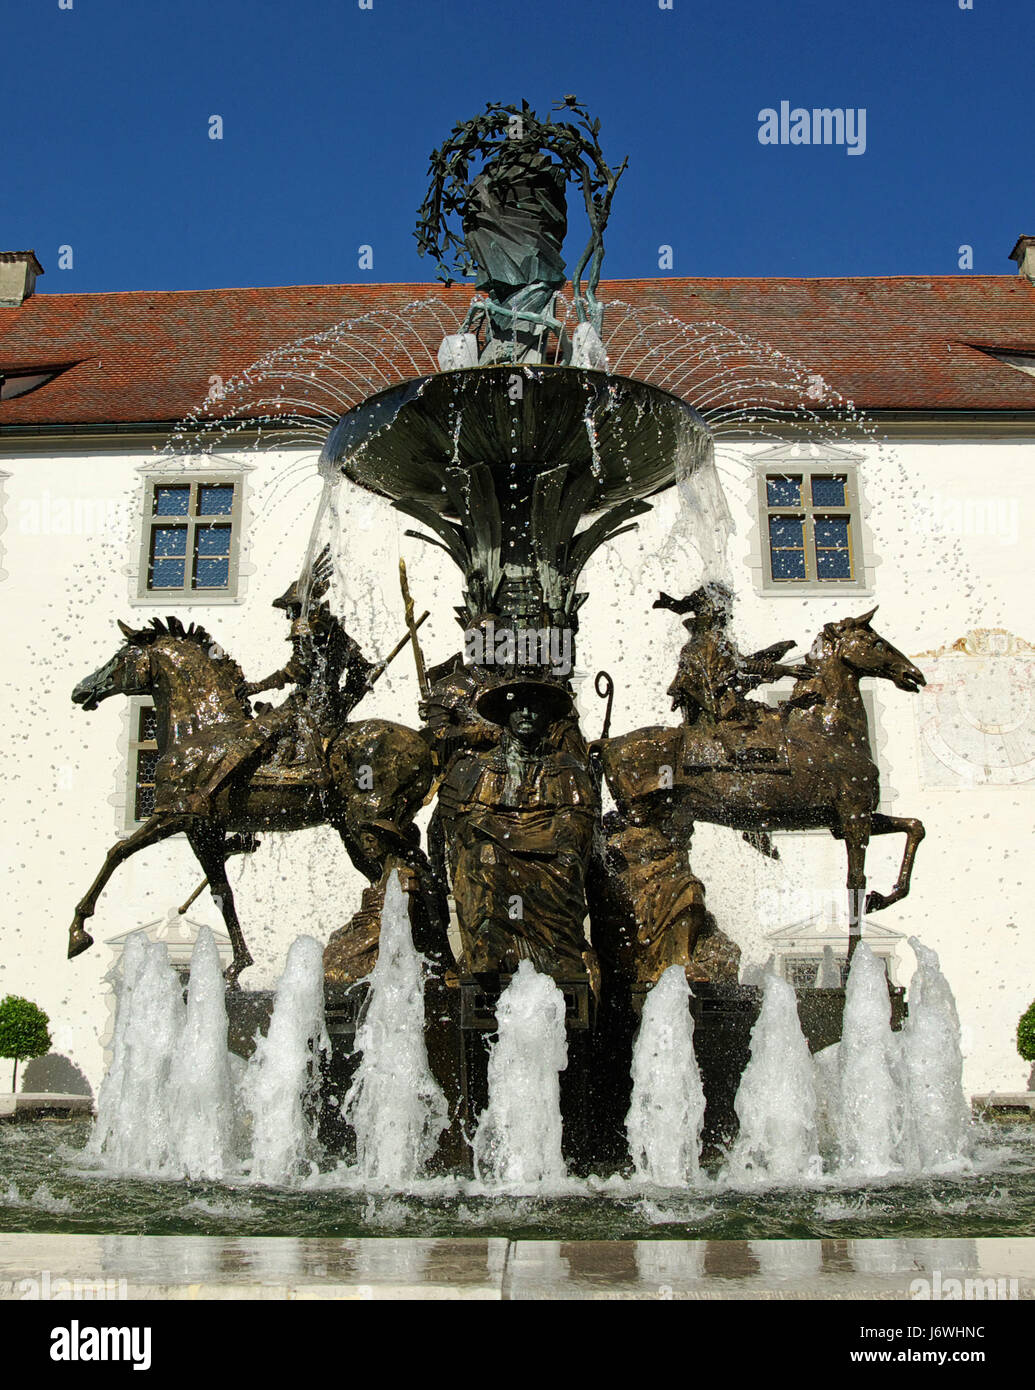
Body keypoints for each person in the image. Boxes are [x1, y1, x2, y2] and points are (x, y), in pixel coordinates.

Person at [184, 547, 373, 814]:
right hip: (331, 707)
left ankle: (208, 794)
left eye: (292, 610)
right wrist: (347, 699)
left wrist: (256, 687)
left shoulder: (305, 626)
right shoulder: (337, 631)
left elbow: (295, 671)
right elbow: (362, 670)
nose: (290, 616)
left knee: (254, 732)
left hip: (308, 705)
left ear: (301, 607)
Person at [436, 678, 598, 978]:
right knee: (484, 858)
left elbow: (578, 823)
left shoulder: (566, 766)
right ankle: (490, 953)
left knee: (567, 863)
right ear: (506, 716)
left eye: (534, 708)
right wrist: (522, 836)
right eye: (518, 707)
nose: (526, 713)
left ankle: (560, 955)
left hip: (550, 860)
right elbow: (471, 821)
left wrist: (535, 836)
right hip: (501, 852)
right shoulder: (484, 766)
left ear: (547, 716)